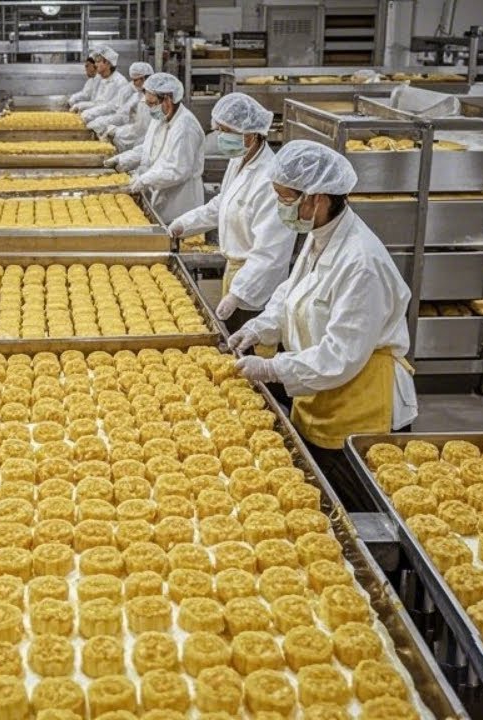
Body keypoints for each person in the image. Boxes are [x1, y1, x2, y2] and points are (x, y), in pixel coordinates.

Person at [227, 139, 416, 510]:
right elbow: (292, 294)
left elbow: (340, 355)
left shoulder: (361, 262)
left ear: (317, 198)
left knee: (358, 512)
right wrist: (260, 328)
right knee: (324, 501)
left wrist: (271, 367)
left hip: (361, 403)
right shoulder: (321, 236)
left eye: (285, 198)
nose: (281, 207)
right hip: (325, 395)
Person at [168, 93, 294, 332]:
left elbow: (270, 253)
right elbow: (222, 204)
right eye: (219, 130)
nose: (221, 137)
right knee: (234, 338)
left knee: (253, 347)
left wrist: (238, 295)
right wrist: (182, 225)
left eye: (226, 131)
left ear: (250, 134)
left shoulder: (270, 180)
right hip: (235, 270)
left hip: (258, 283)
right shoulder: (238, 160)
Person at [105, 72, 204, 223]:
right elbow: (148, 148)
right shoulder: (160, 118)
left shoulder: (185, 127)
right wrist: (124, 159)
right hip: (161, 197)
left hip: (180, 203)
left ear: (168, 99)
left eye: (152, 104)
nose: (150, 108)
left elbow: (177, 170)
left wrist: (144, 180)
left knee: (180, 242)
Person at [89, 61, 152, 151]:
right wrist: (102, 122)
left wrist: (117, 131)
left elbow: (139, 129)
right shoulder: (137, 96)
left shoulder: (149, 101)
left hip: (141, 143)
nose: (133, 84)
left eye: (135, 80)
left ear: (144, 79)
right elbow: (122, 114)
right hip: (133, 142)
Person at [72, 46, 129, 115]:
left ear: (108, 63)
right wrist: (81, 106)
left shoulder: (120, 82)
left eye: (98, 61)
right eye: (95, 62)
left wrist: (88, 112)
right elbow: (97, 103)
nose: (95, 65)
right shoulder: (99, 79)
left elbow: (112, 108)